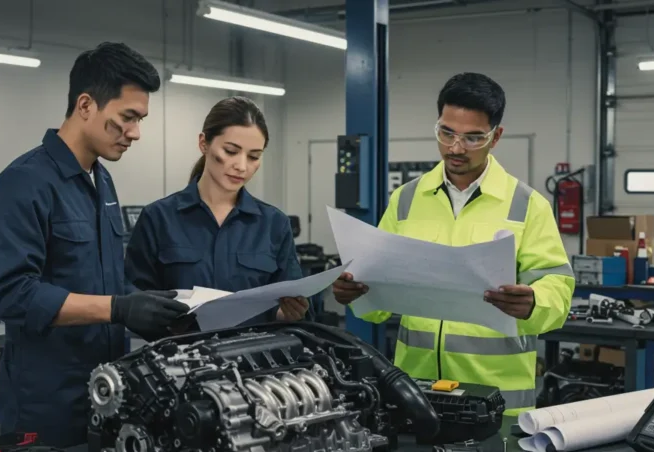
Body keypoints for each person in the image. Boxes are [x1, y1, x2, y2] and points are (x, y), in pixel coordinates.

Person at [0, 42, 189, 447]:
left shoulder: (100, 179)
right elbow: (12, 295)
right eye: (126, 118)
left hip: (106, 389)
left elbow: (100, 277)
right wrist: (118, 308)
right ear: (85, 105)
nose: (135, 133)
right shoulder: (24, 184)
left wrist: (146, 307)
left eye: (140, 119)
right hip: (46, 404)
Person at [332, 72, 574, 415]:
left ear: (496, 136)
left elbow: (559, 289)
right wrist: (354, 293)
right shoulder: (406, 199)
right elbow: (377, 297)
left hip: (498, 402)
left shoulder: (527, 205)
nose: (456, 148)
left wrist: (535, 302)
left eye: (473, 137)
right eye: (446, 133)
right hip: (417, 393)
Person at [125, 96, 309, 324]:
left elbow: (286, 306)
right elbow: (135, 299)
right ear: (204, 143)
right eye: (231, 151)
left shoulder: (274, 224)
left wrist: (288, 314)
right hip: (180, 356)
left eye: (254, 157)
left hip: (254, 354)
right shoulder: (158, 218)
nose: (242, 166)